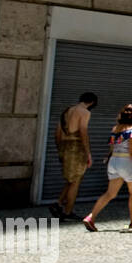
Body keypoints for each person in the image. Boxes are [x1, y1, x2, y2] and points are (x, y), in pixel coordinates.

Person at [81, 105, 132, 231]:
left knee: (110, 193)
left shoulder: (115, 129)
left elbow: (111, 148)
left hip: (114, 161)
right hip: (127, 162)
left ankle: (91, 217)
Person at [50, 92, 97, 220]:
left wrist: (60, 149)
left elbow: (57, 133)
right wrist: (88, 153)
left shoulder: (67, 111)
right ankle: (67, 211)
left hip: (64, 146)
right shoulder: (84, 112)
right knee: (76, 180)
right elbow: (83, 131)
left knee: (70, 179)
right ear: (92, 102)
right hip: (76, 147)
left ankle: (58, 203)